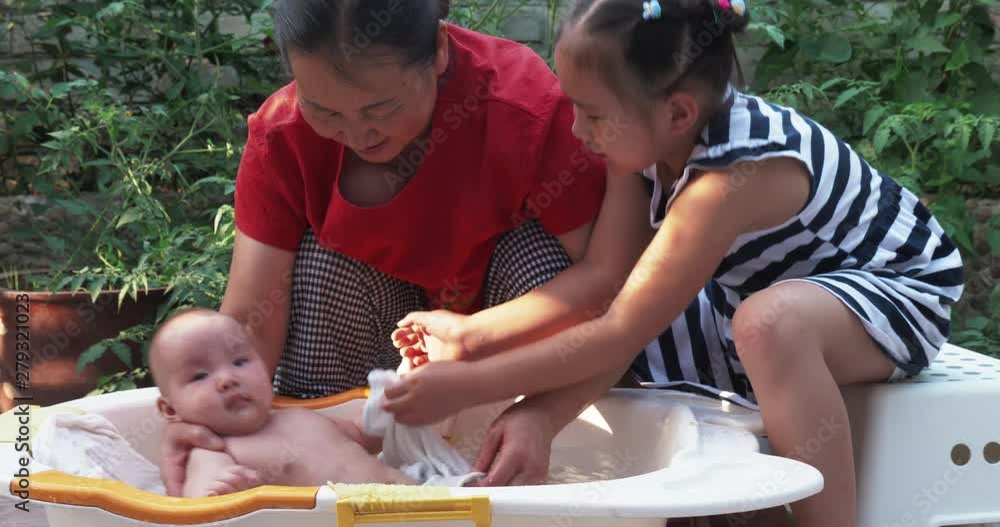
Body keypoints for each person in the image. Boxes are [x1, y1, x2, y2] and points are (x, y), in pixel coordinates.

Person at [379, 0, 965, 525]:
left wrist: (466, 385)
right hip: (745, 297)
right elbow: (612, 292)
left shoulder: (731, 176)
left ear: (679, 113)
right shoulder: (640, 145)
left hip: (898, 288)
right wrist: (501, 367)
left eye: (593, 113)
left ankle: (825, 520)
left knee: (768, 326)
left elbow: (620, 330)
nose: (577, 130)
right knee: (678, 328)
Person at [157, 0, 650, 497]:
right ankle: (332, 475)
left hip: (513, 349)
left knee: (532, 252)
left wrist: (526, 395)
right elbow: (247, 326)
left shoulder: (523, 108)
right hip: (370, 371)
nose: (356, 133)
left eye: (381, 108)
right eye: (324, 109)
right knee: (324, 264)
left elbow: (615, 292)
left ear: (437, 50)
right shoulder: (284, 135)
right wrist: (203, 429)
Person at [150, 309, 415, 497]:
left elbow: (363, 436)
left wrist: (390, 406)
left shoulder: (300, 416)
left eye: (240, 362)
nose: (227, 379)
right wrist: (229, 494)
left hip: (425, 501)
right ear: (170, 409)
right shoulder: (215, 452)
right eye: (200, 376)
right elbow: (202, 506)